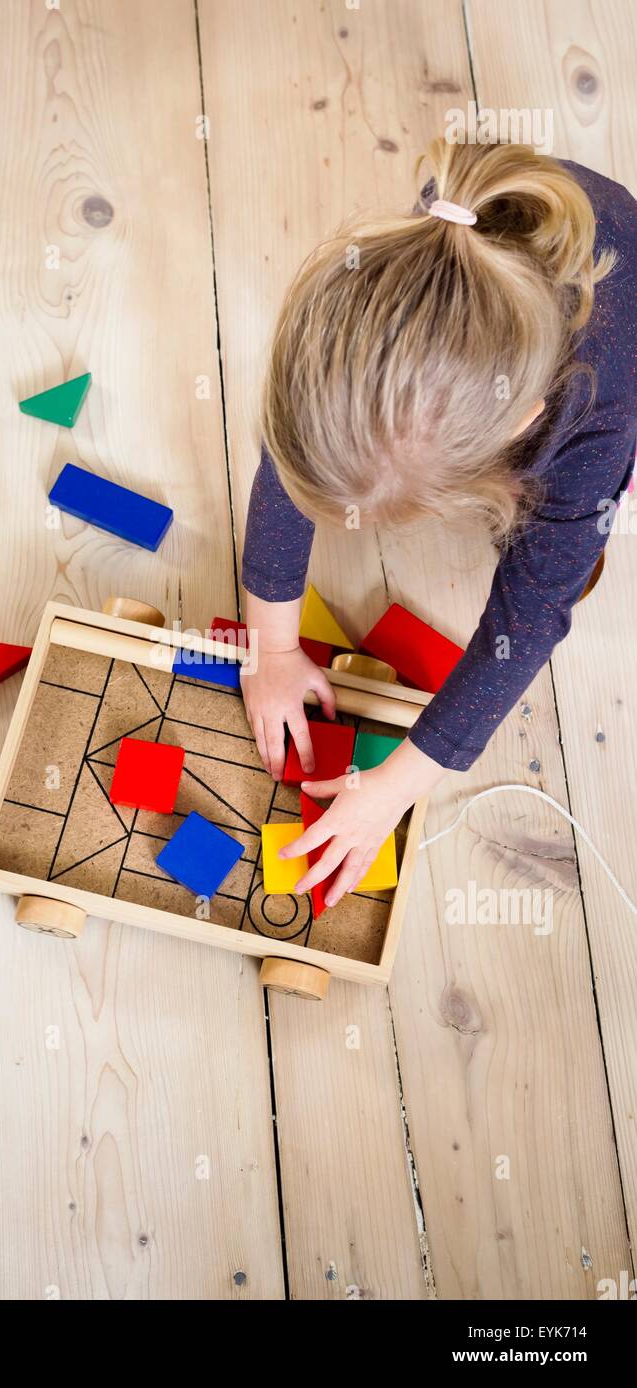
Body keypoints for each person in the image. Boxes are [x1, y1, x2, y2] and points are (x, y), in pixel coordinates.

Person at [240, 139, 637, 907]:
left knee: (576, 533)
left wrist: (394, 787)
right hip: (516, 254)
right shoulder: (381, 311)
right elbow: (290, 461)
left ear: (520, 426)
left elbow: (532, 613)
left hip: (625, 335)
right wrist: (272, 647)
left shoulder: (596, 413)